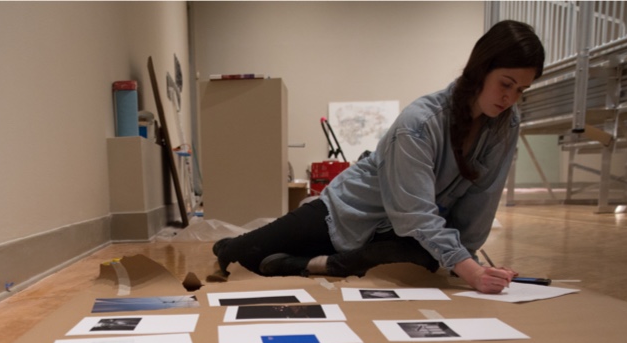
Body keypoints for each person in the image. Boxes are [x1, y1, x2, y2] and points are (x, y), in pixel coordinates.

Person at [212, 20, 545, 294]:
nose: (510, 98)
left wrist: (469, 264)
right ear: (481, 69)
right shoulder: (419, 123)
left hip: (398, 233)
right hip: (346, 212)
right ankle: (248, 247)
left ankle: (310, 264)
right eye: (506, 83)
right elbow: (415, 214)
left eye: (521, 91)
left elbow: (480, 204)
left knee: (426, 261)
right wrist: (468, 268)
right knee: (238, 258)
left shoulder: (506, 125)